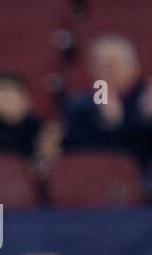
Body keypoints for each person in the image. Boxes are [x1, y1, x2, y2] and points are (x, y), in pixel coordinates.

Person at [61, 33, 152, 166]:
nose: (107, 72)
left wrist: (146, 121)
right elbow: (81, 152)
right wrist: (109, 125)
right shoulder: (79, 106)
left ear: (134, 67)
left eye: (113, 65)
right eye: (100, 66)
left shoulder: (145, 99)